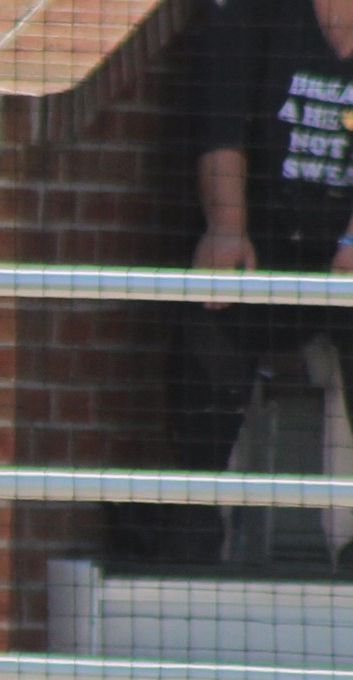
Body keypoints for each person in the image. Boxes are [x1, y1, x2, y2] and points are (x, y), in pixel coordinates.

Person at [153, 0, 353, 566]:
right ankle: (195, 522)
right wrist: (226, 227)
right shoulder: (248, 13)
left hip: (343, 249)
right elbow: (221, 124)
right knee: (207, 319)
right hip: (261, 238)